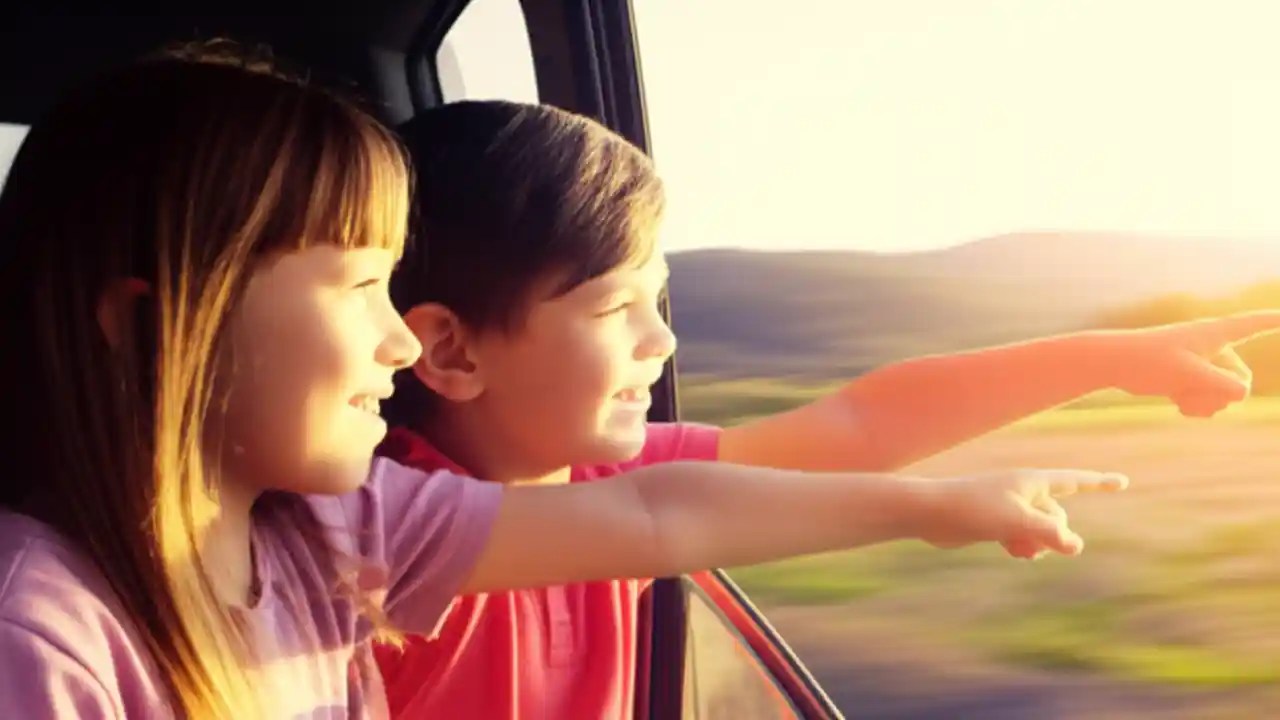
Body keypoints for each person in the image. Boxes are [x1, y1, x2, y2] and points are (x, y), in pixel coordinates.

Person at [0, 45, 1126, 719]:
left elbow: (661, 510)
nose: (393, 345)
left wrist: (946, 497)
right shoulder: (40, 634)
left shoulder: (329, 536)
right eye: (357, 289)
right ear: (159, 333)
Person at [373, 99, 1280, 719]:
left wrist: (1114, 358)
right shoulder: (378, 536)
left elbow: (861, 428)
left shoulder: (610, 468)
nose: (663, 340)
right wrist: (937, 506)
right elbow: (670, 516)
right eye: (617, 308)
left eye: (662, 299)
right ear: (452, 350)